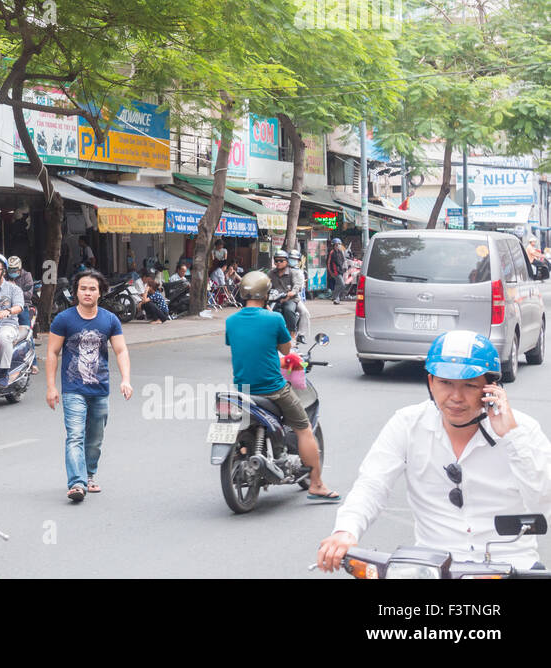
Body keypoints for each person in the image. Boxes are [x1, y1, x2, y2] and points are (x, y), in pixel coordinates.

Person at [316, 331, 551, 573]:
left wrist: (511, 437)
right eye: (445, 383)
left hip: (511, 563)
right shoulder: (408, 424)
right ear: (430, 383)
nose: (456, 397)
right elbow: (371, 485)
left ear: (491, 389)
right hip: (433, 566)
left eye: (470, 385)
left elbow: (543, 500)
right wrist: (346, 530)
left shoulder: (522, 430)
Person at [226, 270, 339, 502]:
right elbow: (287, 351)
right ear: (266, 294)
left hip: (242, 390)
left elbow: (245, 348)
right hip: (273, 389)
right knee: (304, 428)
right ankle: (316, 484)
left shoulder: (231, 321)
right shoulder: (274, 319)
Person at [46, 269, 132, 502]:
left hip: (100, 389)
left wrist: (125, 379)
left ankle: (89, 474)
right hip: (73, 389)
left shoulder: (109, 320)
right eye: (83, 288)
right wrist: (51, 386)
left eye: (92, 288)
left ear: (100, 292)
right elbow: (53, 353)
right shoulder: (63, 319)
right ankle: (76, 483)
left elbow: (121, 350)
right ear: (76, 291)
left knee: (95, 438)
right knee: (75, 435)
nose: (87, 292)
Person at [267, 249, 302, 335]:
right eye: (276, 260)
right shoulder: (271, 273)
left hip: (290, 299)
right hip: (274, 298)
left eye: (281, 260)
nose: (278, 262)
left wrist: (292, 292)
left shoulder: (292, 272)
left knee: (289, 310)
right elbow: (264, 283)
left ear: (287, 261)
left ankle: (292, 333)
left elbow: (297, 285)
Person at [7, 255, 36, 326]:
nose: (12, 272)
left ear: (19, 268)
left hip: (23, 305)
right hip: (7, 306)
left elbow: (28, 295)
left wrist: (15, 288)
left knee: (26, 328)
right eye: (10, 270)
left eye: (14, 270)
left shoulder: (27, 276)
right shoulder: (5, 276)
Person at [326, 238, 347, 304]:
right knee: (342, 284)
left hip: (340, 271)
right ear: (334, 245)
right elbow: (328, 263)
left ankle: (336, 298)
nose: (338, 246)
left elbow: (343, 261)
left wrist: (344, 268)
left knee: (338, 285)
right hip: (335, 272)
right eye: (337, 244)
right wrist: (330, 272)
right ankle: (334, 296)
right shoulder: (331, 252)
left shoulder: (340, 252)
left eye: (339, 244)